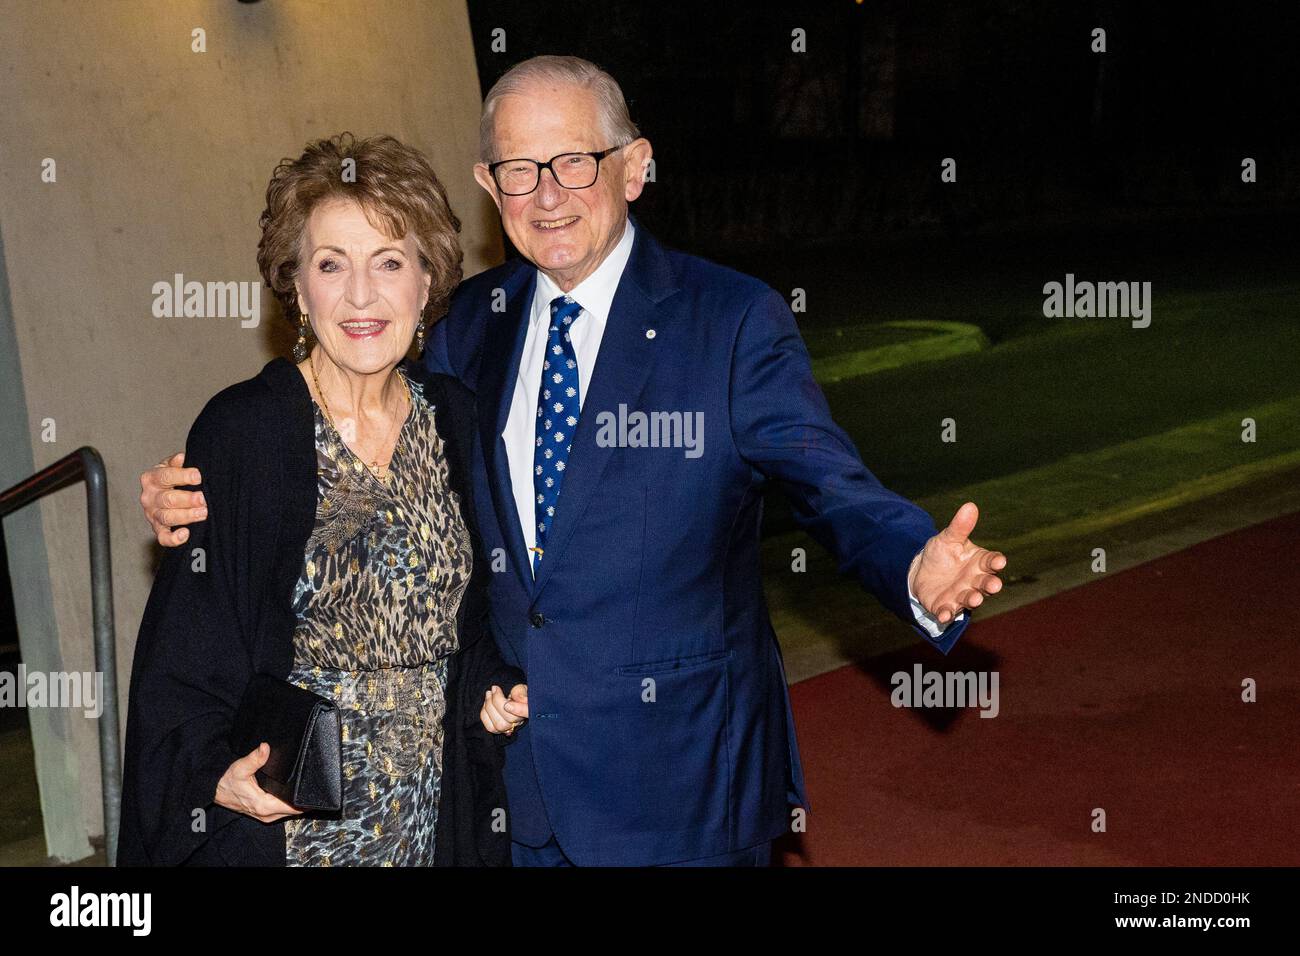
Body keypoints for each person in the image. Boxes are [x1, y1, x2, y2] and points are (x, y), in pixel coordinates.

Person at [140, 57, 1007, 867]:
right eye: (519, 168)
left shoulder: (731, 320)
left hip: (680, 790)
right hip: (501, 792)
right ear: (489, 187)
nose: (547, 195)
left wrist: (912, 562)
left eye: (574, 162)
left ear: (634, 168)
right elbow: (344, 470)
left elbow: (832, 486)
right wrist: (195, 491)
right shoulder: (466, 329)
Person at [119, 133, 527, 867]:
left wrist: (493, 689)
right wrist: (216, 773)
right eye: (331, 265)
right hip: (290, 830)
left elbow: (480, 614)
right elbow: (184, 653)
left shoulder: (458, 419)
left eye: (390, 262)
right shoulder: (246, 431)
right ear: (299, 289)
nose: (362, 295)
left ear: (426, 280)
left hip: (435, 817)